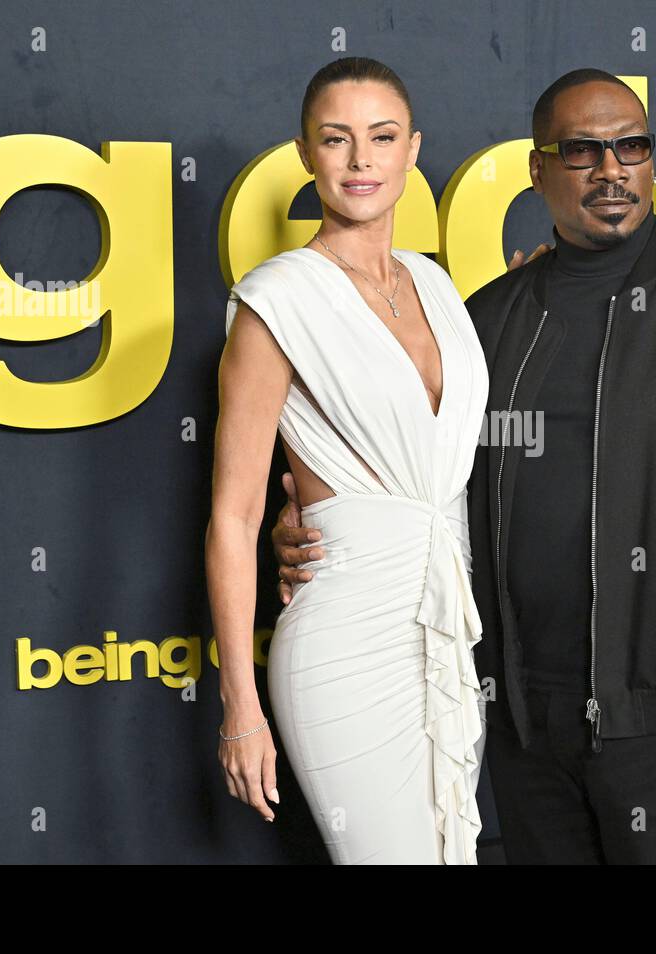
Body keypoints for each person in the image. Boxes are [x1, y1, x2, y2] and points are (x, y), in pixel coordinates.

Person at [272, 68, 656, 864]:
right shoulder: (486, 321)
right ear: (538, 169)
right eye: (582, 152)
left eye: (631, 147)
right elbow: (418, 475)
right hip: (517, 719)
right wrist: (314, 516)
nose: (611, 170)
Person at [206, 56, 490, 864]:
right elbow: (234, 515)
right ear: (307, 154)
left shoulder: (437, 288)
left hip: (441, 628)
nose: (361, 160)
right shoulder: (277, 300)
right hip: (343, 642)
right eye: (337, 140)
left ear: (413, 151)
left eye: (382, 137)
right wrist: (240, 707)